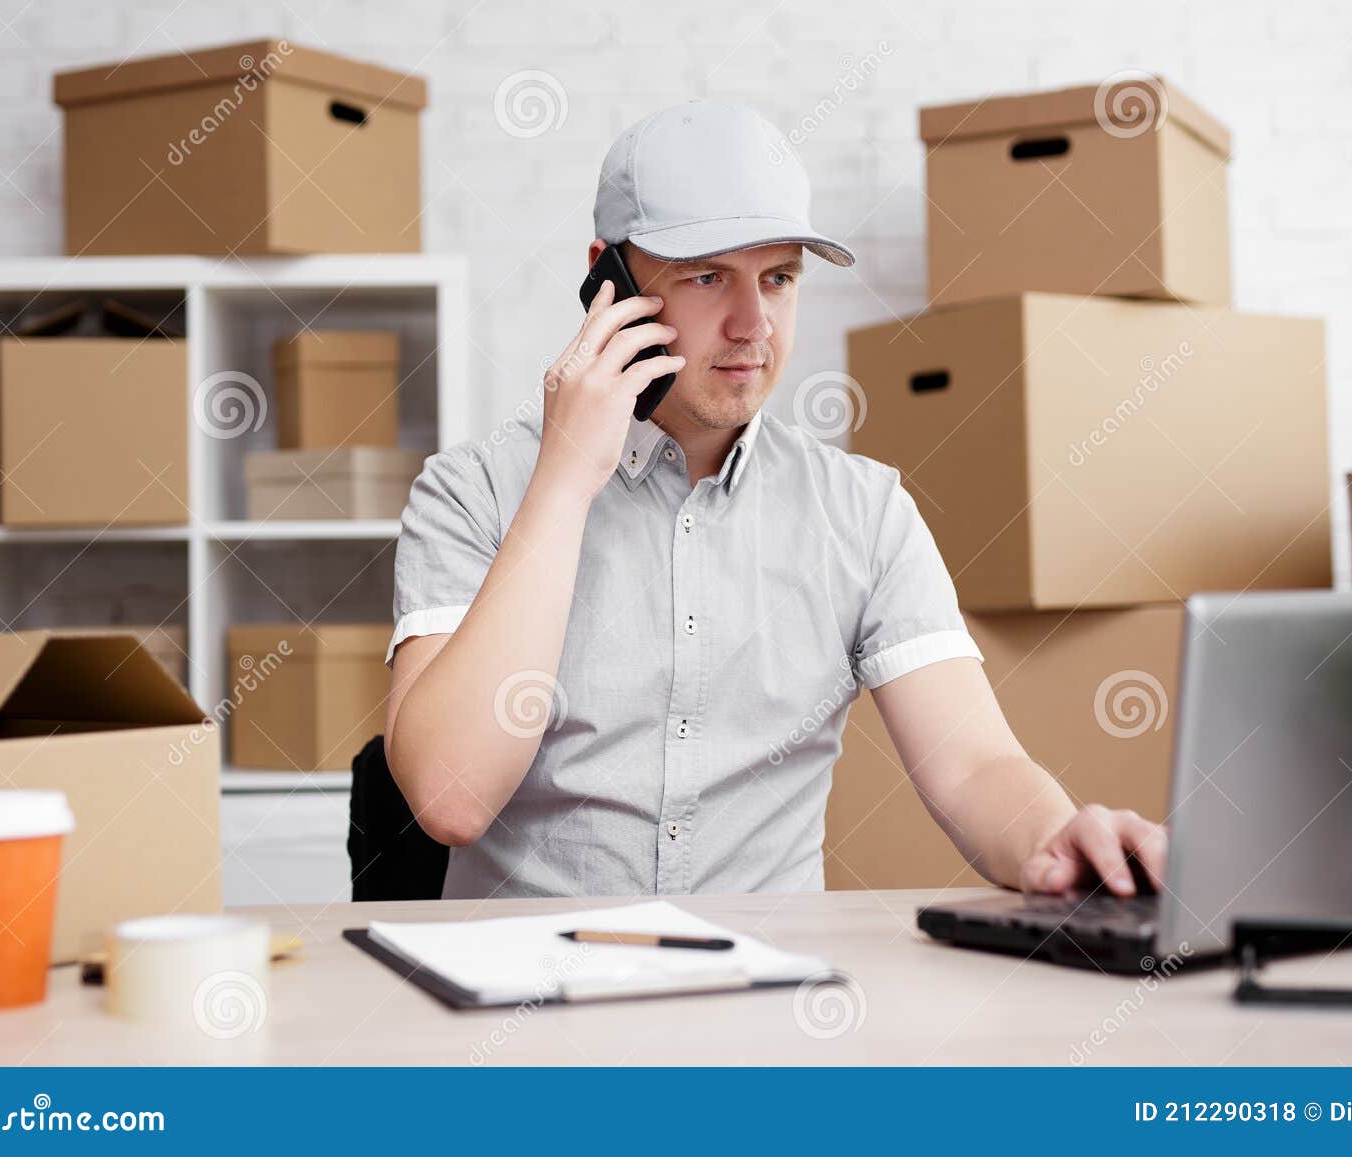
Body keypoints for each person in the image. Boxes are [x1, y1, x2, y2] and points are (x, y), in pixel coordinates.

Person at [384, 99, 1167, 901]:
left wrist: (1054, 840)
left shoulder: (863, 511)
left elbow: (976, 765)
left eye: (780, 278)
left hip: (769, 998)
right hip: (529, 1001)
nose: (753, 323)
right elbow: (452, 798)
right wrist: (563, 480)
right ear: (607, 281)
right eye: (707, 276)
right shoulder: (471, 492)